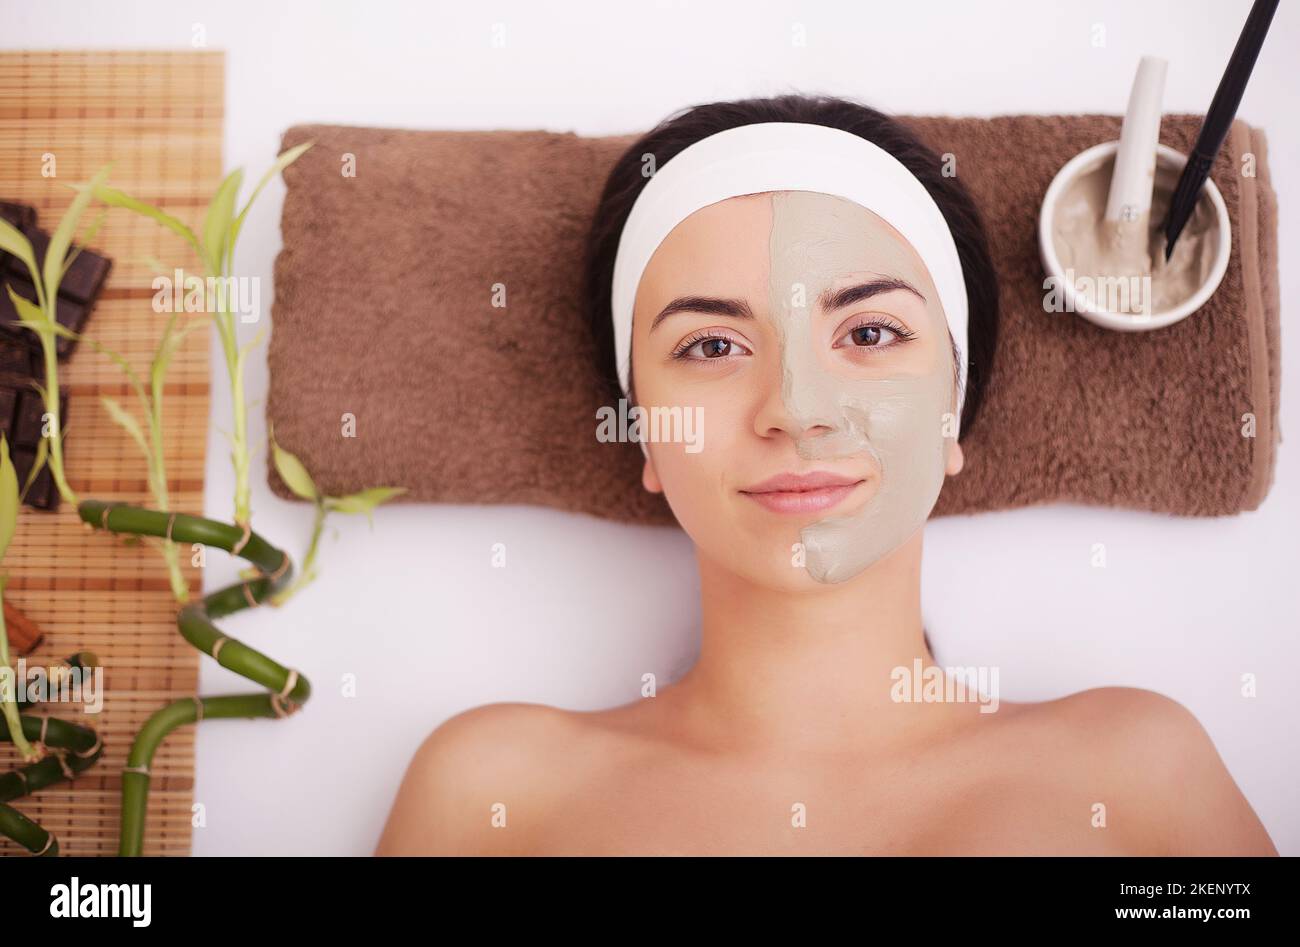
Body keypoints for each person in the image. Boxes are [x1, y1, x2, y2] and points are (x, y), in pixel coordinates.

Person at [375, 94, 1276, 856]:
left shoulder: (1134, 778)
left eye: (870, 333)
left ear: (954, 409)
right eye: (712, 345)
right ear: (642, 431)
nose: (797, 409)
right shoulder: (495, 798)